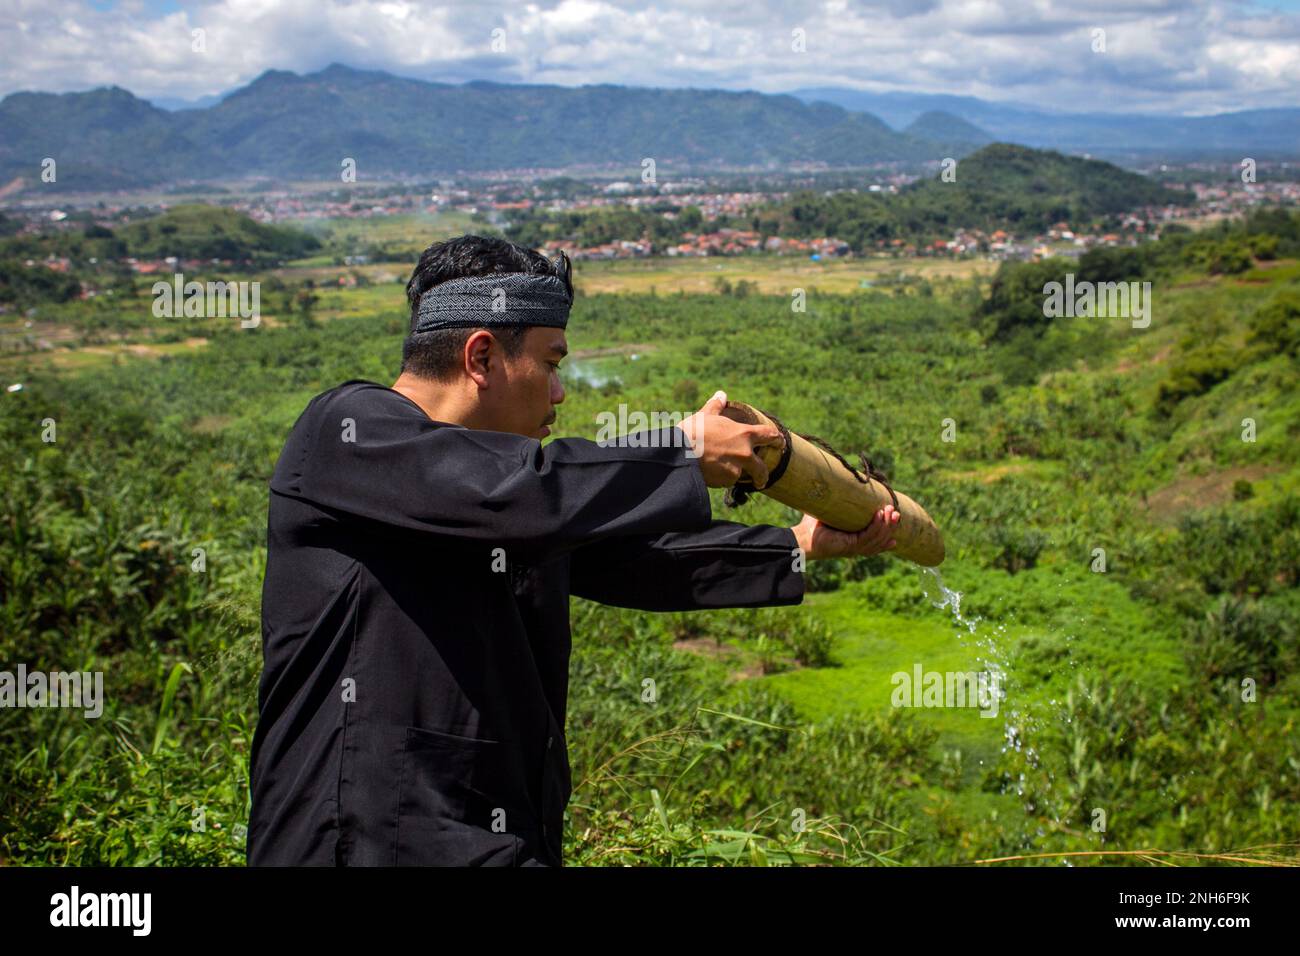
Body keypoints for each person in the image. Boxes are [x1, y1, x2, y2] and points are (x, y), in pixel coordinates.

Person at [246, 235, 900, 866]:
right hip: (353, 842)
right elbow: (515, 492)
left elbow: (630, 561)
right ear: (480, 358)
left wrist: (797, 545)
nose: (560, 392)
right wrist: (681, 452)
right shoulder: (347, 434)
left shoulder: (502, 502)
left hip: (491, 834)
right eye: (552, 364)